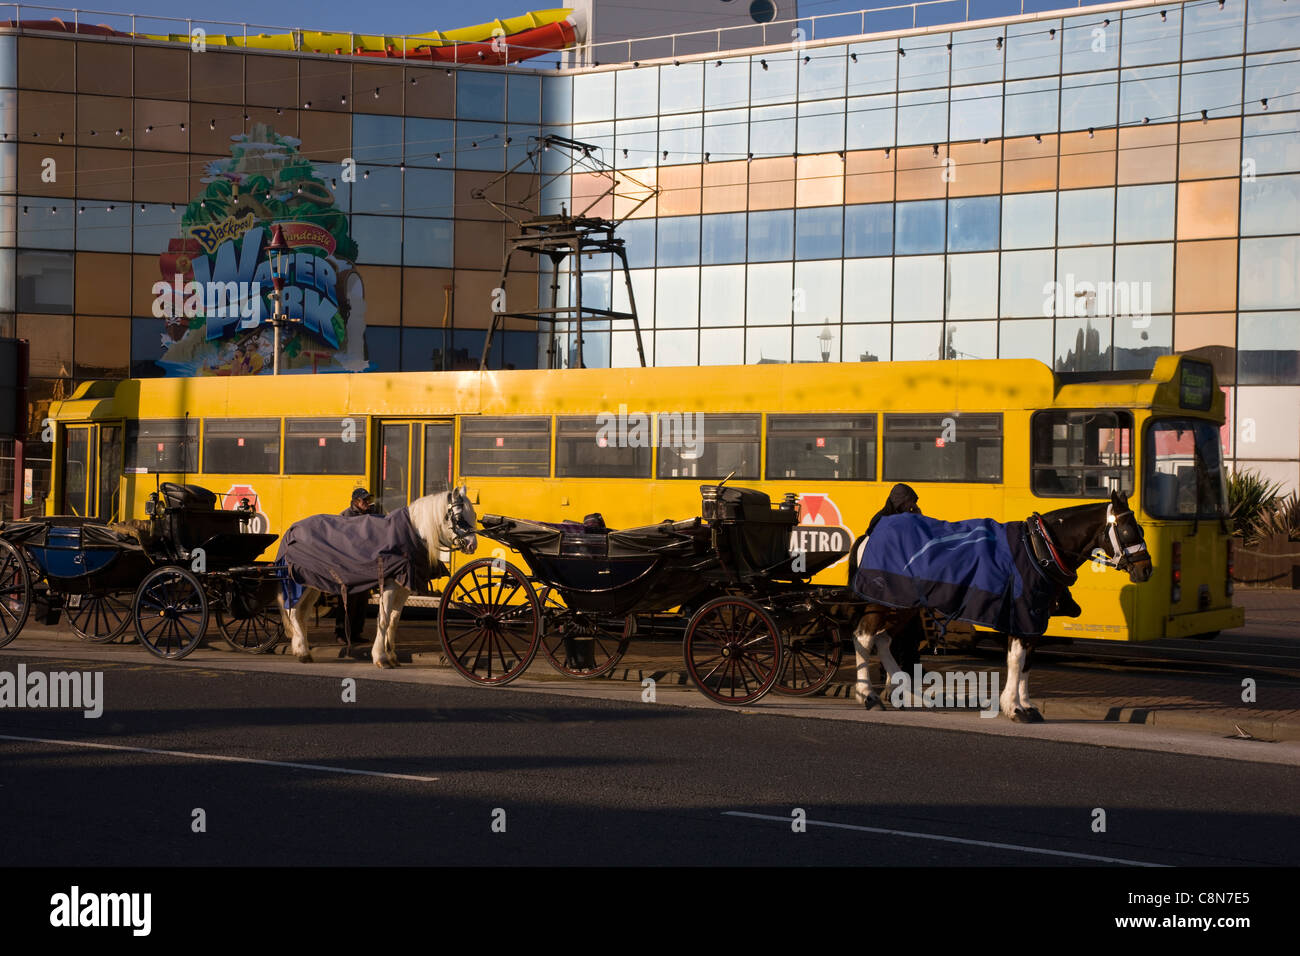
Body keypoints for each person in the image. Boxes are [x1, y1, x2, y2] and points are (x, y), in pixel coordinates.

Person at [335, 488, 383, 644]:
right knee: (347, 601)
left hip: (364, 566)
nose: (367, 503)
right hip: (348, 566)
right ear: (355, 502)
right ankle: (342, 634)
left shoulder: (371, 514)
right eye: (364, 500)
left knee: (362, 601)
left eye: (368, 500)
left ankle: (356, 634)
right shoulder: (345, 516)